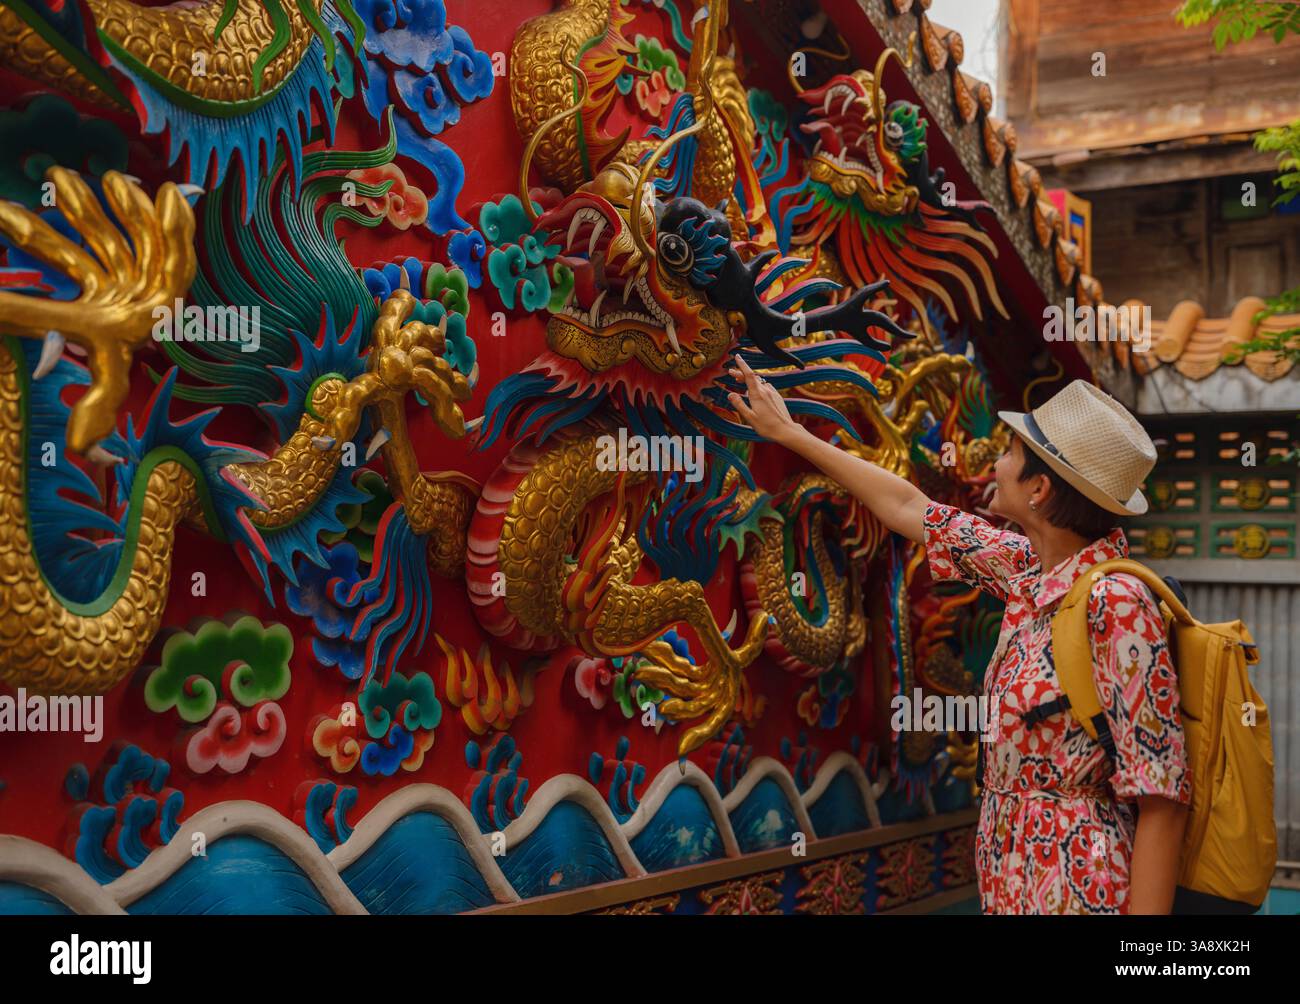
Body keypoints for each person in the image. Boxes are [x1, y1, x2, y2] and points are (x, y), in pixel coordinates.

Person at [726, 356, 1191, 915]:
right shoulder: (1025, 569)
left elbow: (1161, 793)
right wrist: (789, 434)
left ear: (1039, 487)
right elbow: (909, 507)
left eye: (1009, 453)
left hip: (1081, 888)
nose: (996, 463)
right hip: (1010, 880)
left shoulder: (1117, 603)